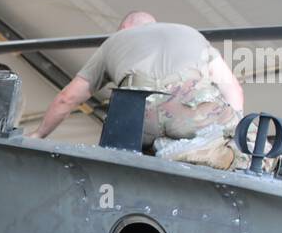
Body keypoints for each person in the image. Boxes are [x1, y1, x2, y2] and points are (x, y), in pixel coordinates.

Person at [32, 11, 246, 169]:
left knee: (134, 137)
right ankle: (207, 148)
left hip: (139, 124)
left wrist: (38, 134)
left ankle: (165, 147)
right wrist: (234, 127)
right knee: (246, 138)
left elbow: (67, 99)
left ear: (124, 28)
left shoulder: (114, 41)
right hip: (195, 113)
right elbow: (233, 88)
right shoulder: (190, 33)